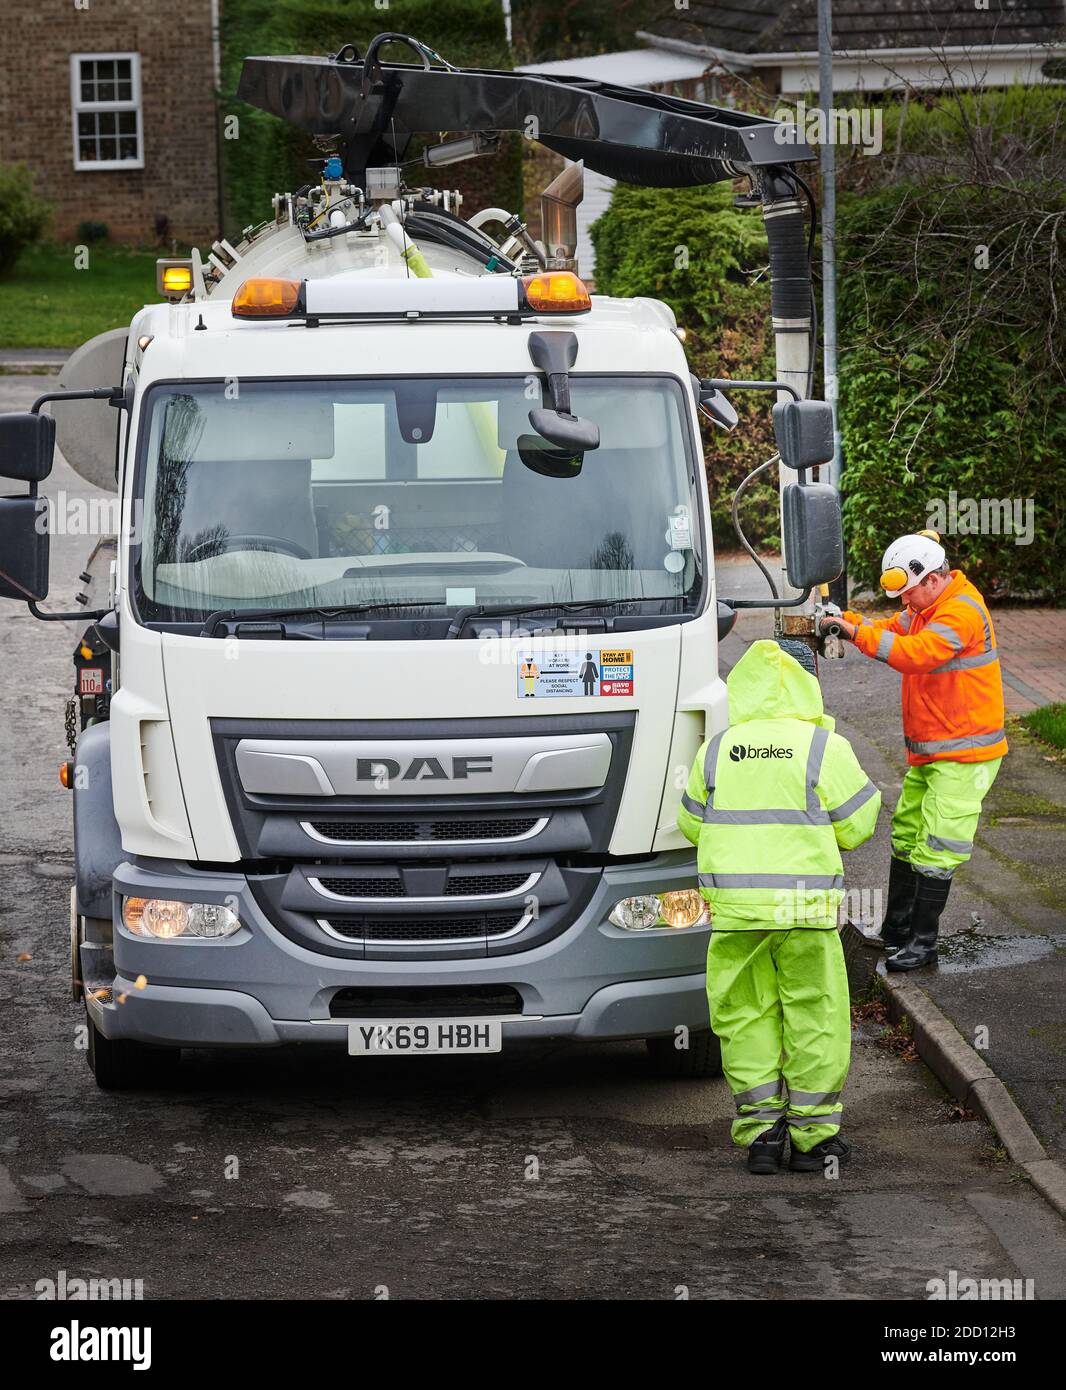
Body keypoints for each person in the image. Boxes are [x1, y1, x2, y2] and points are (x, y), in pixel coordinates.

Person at [678, 640, 880, 1175]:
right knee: (814, 1016)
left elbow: (691, 824)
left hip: (737, 915)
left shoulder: (717, 750)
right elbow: (859, 825)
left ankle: (762, 1134)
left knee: (744, 1016)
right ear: (805, 684)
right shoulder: (823, 748)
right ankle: (813, 1142)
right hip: (804, 914)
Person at [833, 531, 1007, 971]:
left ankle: (924, 944)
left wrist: (854, 633)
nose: (905, 601)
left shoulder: (959, 613)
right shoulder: (925, 607)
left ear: (931, 577)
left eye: (908, 591)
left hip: (965, 753)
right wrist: (846, 621)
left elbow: (915, 654)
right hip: (936, 750)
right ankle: (897, 928)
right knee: (908, 835)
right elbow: (891, 629)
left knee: (937, 845)